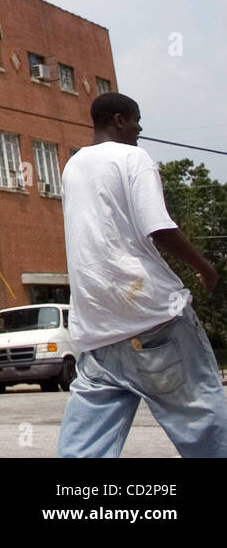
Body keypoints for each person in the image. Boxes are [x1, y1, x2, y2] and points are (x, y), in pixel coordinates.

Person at [57, 92, 227, 458]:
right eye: (135, 119)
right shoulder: (133, 157)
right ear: (118, 120)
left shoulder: (72, 166)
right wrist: (206, 268)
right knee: (204, 424)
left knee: (84, 447)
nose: (140, 127)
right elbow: (159, 227)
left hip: (98, 327)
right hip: (152, 316)